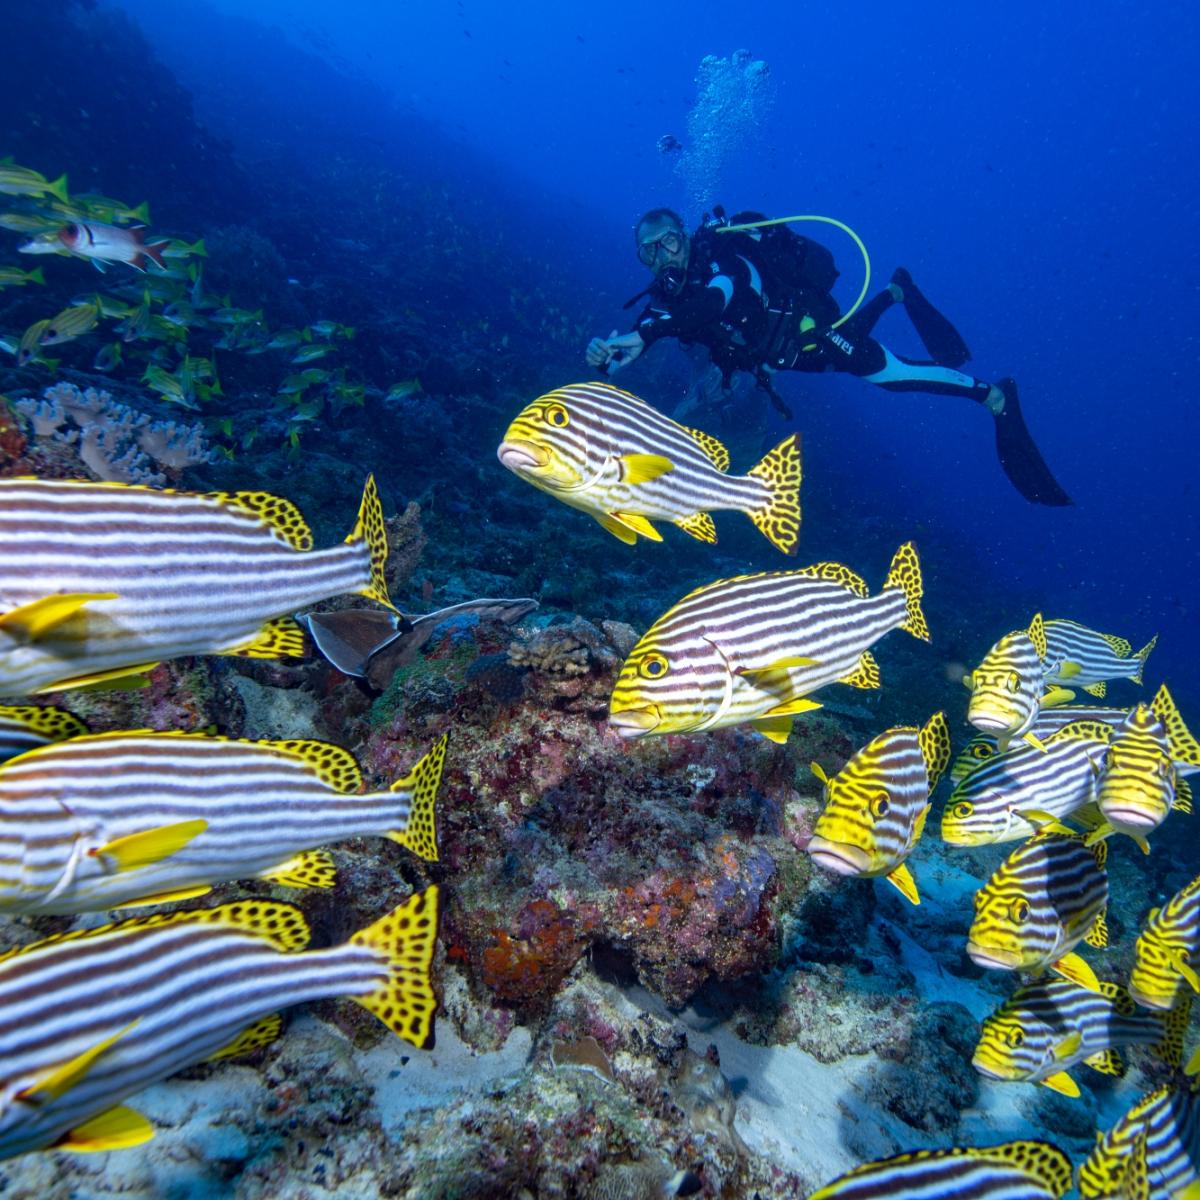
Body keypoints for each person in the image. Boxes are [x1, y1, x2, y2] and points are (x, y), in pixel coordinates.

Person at [586, 207, 1070, 506]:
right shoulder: (669, 297)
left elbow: (719, 298)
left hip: (808, 332)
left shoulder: (722, 261)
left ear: (685, 236)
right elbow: (651, 324)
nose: (662, 258)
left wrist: (652, 334)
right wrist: (616, 351)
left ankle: (992, 395)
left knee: (885, 374)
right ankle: (895, 291)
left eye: (668, 242)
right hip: (786, 354)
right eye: (647, 253)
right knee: (844, 348)